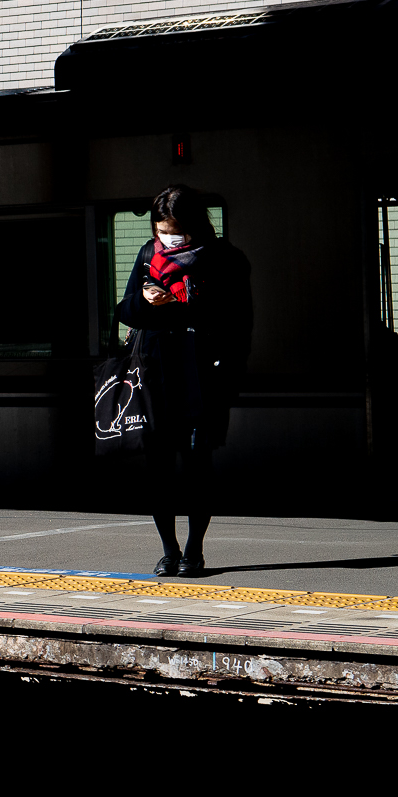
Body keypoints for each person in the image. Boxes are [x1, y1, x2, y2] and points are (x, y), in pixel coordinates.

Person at [114, 185, 252, 576]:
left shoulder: (225, 258)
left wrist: (182, 304)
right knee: (158, 468)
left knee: (197, 466)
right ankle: (168, 551)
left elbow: (238, 321)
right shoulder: (148, 254)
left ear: (194, 225)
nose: (168, 238)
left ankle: (194, 550)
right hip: (154, 374)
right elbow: (126, 311)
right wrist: (145, 301)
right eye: (162, 230)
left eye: (175, 231)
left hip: (202, 376)